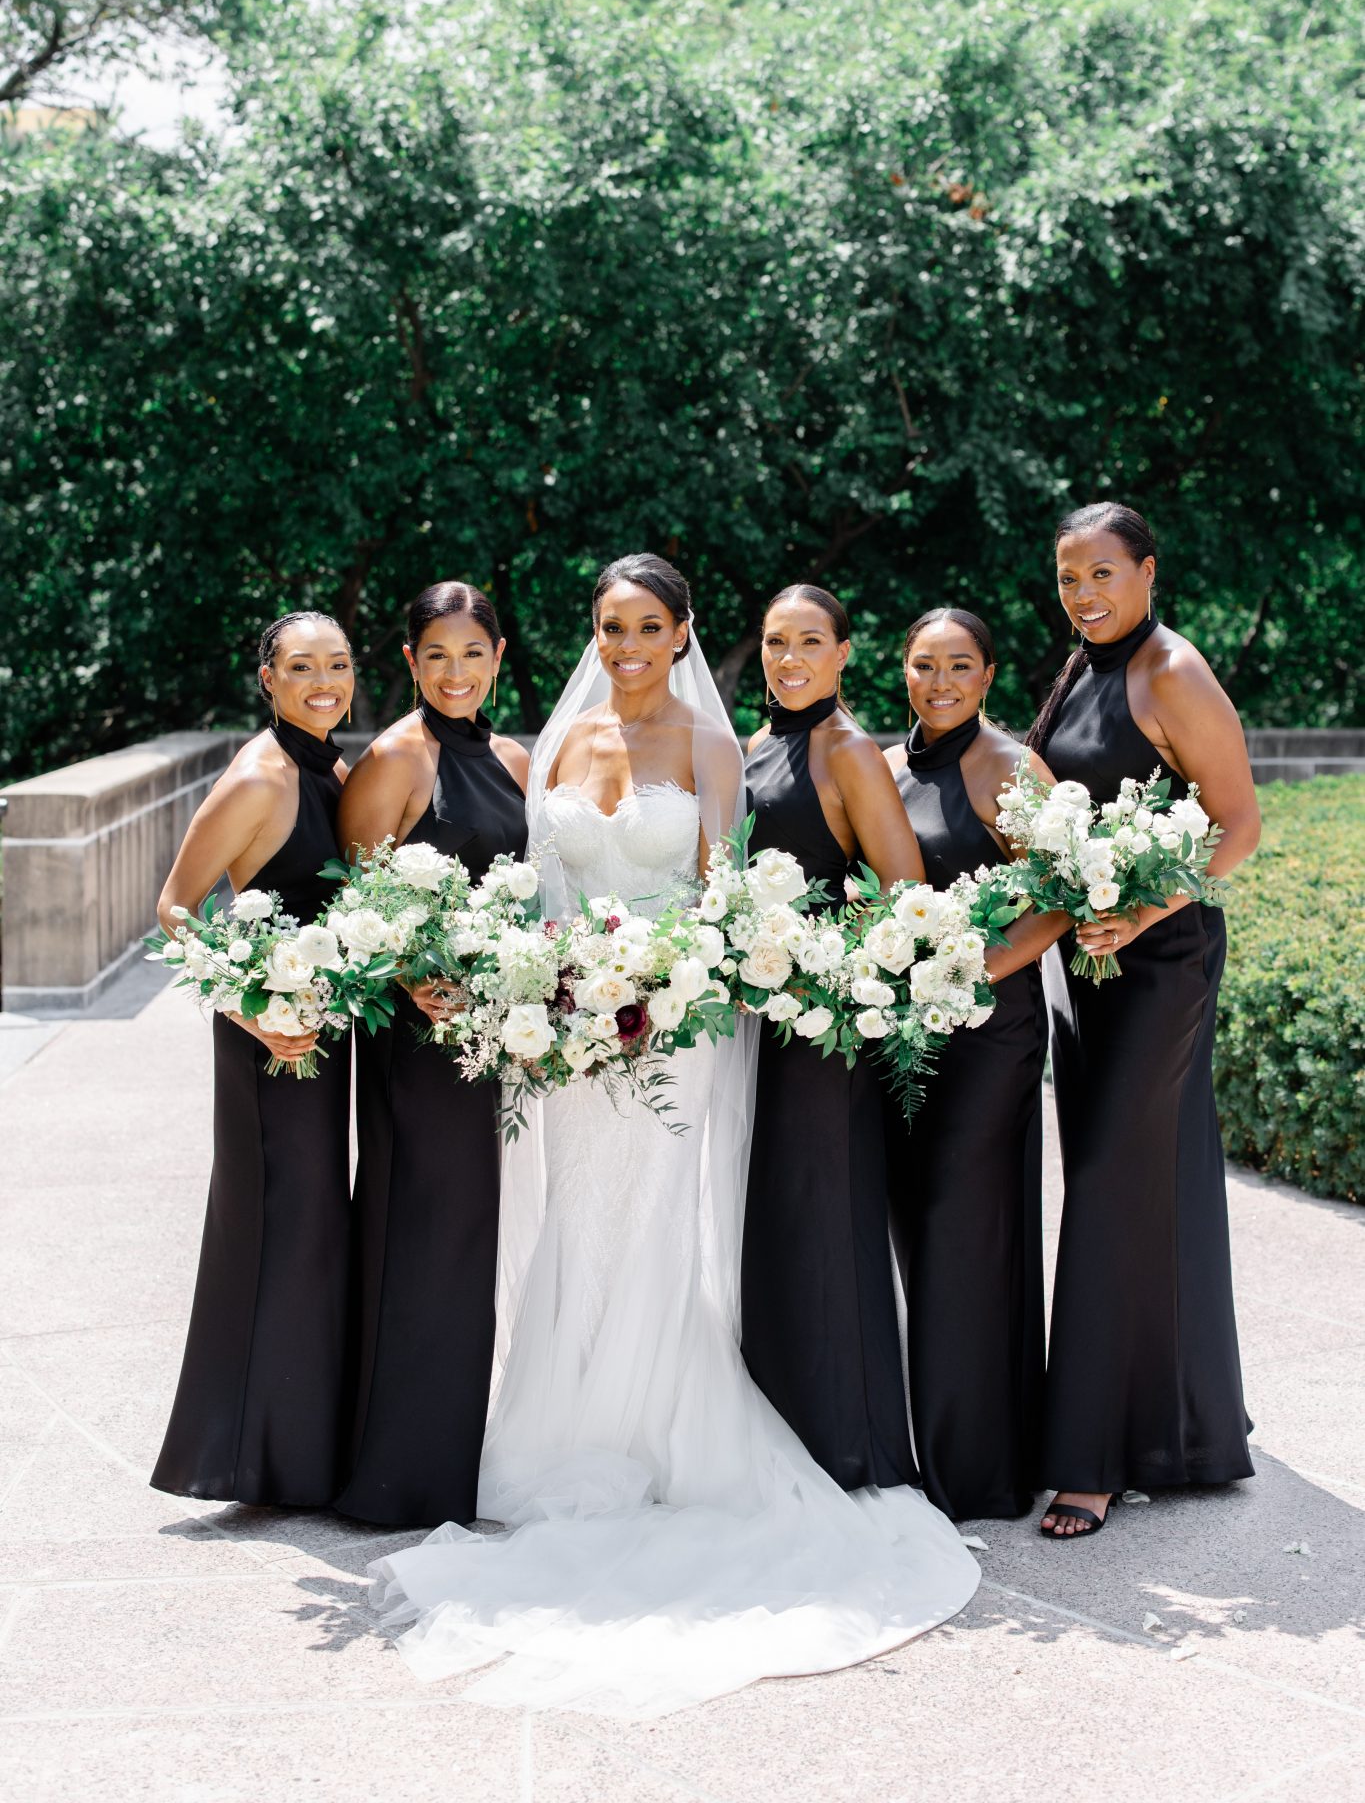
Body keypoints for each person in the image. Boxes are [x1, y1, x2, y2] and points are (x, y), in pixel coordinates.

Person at [367, 554, 979, 1719]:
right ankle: (557, 1435)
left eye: (650, 625)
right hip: (565, 1028)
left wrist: (655, 977)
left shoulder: (710, 750)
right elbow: (533, 887)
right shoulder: (559, 745)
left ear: (684, 632)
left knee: (652, 1222)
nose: (630, 644)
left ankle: (656, 1435)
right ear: (592, 635)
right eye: (611, 626)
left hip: (674, 1026)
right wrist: (547, 986)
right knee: (573, 1219)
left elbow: (723, 898)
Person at [1027, 502, 1261, 1538]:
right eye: (1070, 576)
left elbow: (1239, 822)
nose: (1084, 593)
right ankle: (1189, 1425)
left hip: (1160, 961)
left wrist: (1142, 910)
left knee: (1115, 1192)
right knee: (1140, 1185)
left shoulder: (1172, 669)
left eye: (1103, 573)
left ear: (1148, 571)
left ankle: (1093, 1457)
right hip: (1091, 967)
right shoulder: (1082, 662)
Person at [333, 582, 528, 1529]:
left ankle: (447, 1458)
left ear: (498, 657)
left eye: (473, 653)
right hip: (418, 1037)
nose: (456, 672)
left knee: (467, 1240)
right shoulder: (392, 759)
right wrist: (415, 975)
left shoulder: (513, 758)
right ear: (410, 663)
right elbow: (353, 904)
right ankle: (396, 1474)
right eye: (436, 655)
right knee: (421, 1232)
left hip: (489, 1031)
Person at [151, 612, 354, 1506]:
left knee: (311, 1233)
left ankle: (296, 1445)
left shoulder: (332, 766)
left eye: (338, 664)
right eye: (302, 666)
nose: (324, 681)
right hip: (269, 1042)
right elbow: (176, 910)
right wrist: (252, 1012)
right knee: (275, 1228)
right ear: (266, 679)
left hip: (322, 1032)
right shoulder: (260, 778)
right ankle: (243, 1456)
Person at [884, 607, 1067, 1519]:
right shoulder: (881, 767)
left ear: (989, 675)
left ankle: (977, 1472)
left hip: (991, 1029)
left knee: (965, 1228)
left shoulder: (1009, 766)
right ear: (901, 671)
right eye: (925, 665)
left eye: (960, 665)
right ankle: (927, 1441)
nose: (941, 681)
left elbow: (1060, 899)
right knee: (913, 1229)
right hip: (903, 1033)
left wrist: (979, 969)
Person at [741, 584, 922, 1489]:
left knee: (825, 1222)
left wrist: (825, 962)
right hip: (757, 1027)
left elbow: (903, 890)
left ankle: (849, 1444)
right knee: (771, 1224)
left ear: (845, 652)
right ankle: (780, 1431)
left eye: (809, 641)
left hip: (826, 1030)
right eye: (776, 643)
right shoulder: (757, 746)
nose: (790, 659)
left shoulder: (847, 750)